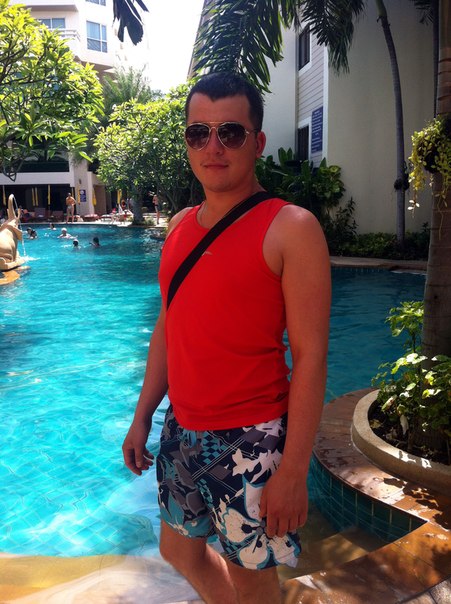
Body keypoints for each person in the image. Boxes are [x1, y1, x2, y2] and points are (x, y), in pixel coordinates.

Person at [122, 72, 331, 604]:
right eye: (199, 133)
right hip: (182, 428)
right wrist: (144, 414)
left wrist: (294, 469)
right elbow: (169, 327)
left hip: (251, 438)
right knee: (178, 550)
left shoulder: (291, 228)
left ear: (257, 142)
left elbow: (310, 357)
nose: (213, 147)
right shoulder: (179, 227)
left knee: (254, 580)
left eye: (230, 133)